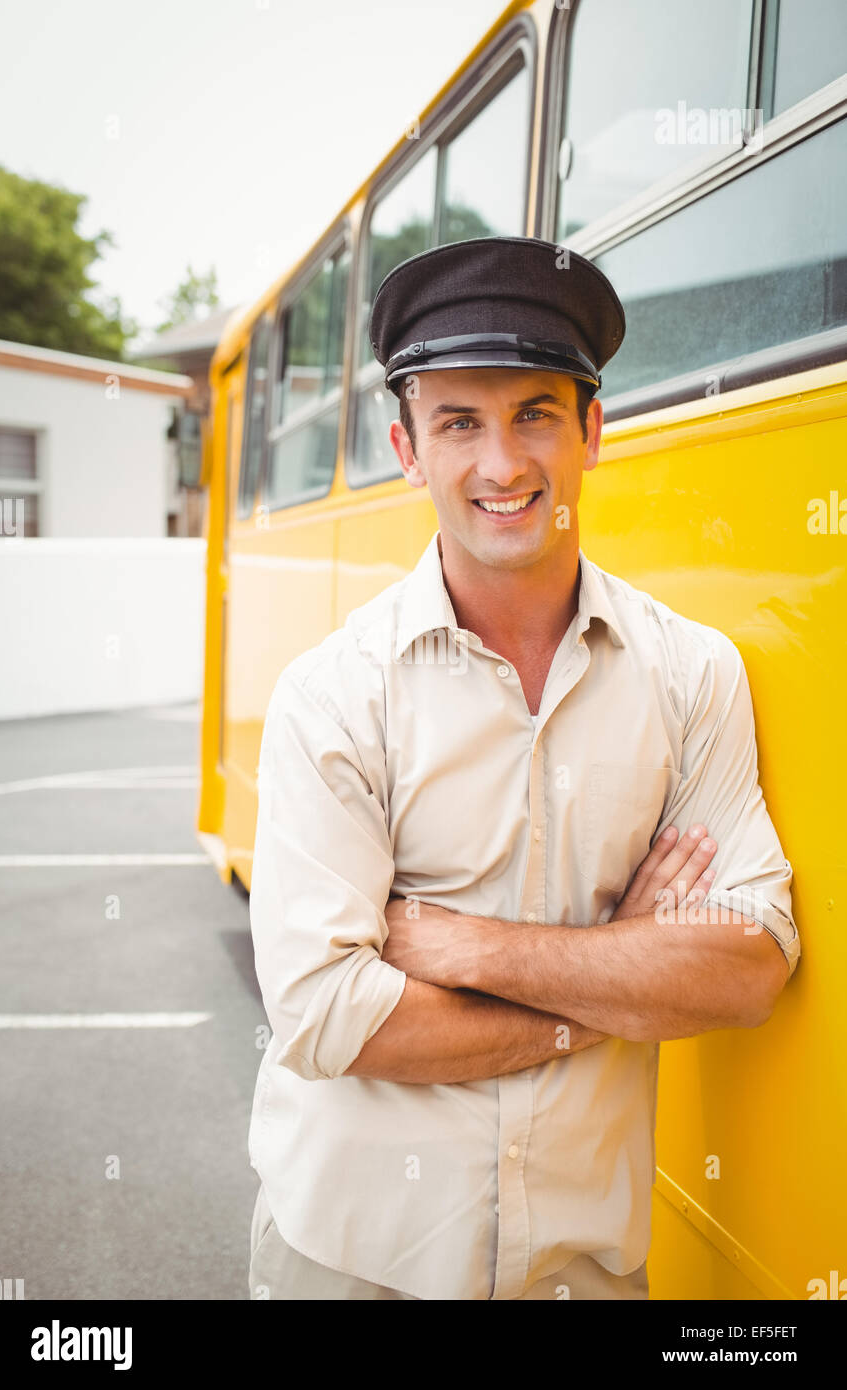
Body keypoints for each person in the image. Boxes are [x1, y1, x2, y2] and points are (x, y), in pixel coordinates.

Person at [246, 236, 800, 1301]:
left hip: (580, 1274)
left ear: (592, 429)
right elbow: (325, 1015)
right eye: (459, 422)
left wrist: (466, 946)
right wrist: (616, 976)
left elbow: (745, 963)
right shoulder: (334, 693)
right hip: (352, 1263)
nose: (501, 466)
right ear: (407, 448)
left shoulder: (691, 673)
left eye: (534, 413)